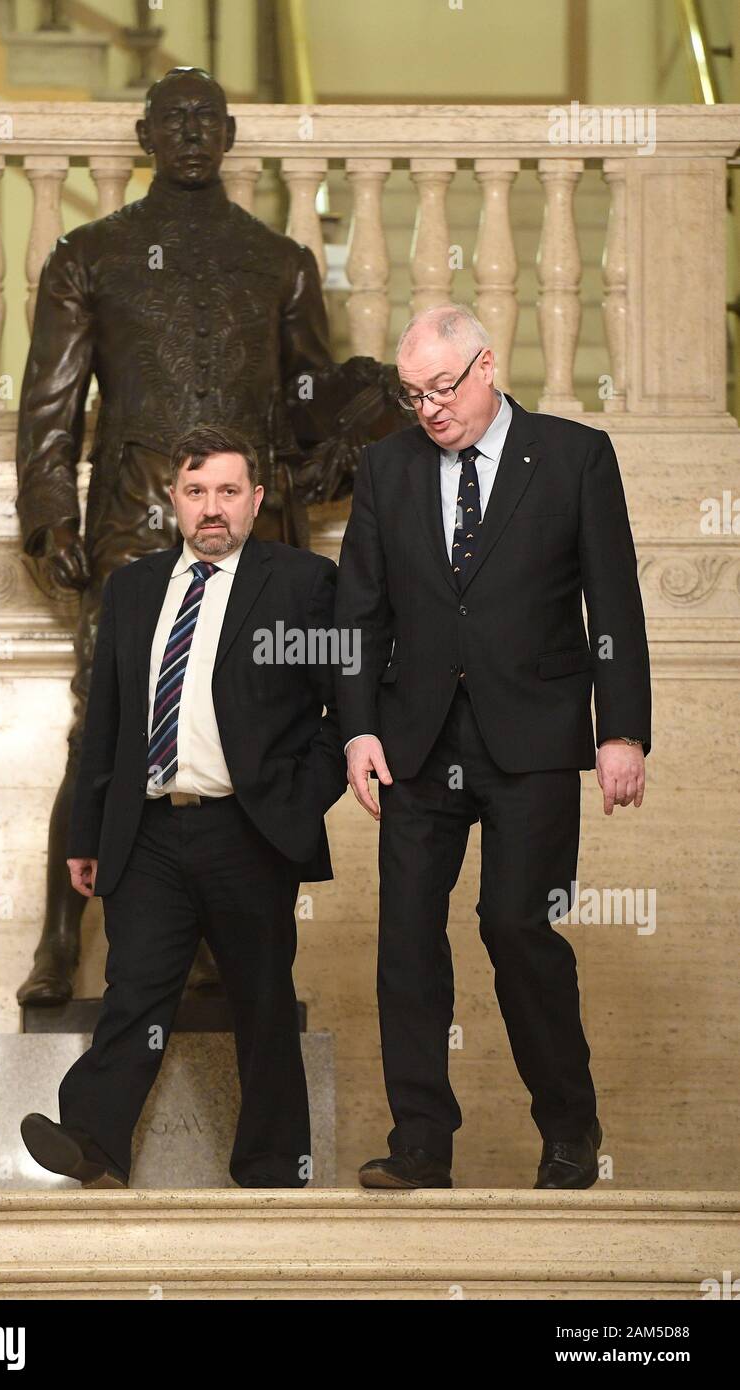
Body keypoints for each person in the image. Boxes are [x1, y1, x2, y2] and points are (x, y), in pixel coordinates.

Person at [13, 65, 399, 1005]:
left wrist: (367, 410)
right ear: (146, 135)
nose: (189, 133)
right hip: (135, 512)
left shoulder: (280, 261)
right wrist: (49, 511)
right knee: (104, 723)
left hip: (251, 517)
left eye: (205, 120)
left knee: (247, 726)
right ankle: (63, 935)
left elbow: (308, 400)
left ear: (228, 134)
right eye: (171, 120)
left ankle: (214, 937)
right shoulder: (89, 253)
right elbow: (52, 404)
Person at [334, 305, 651, 1190]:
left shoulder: (574, 456)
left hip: (537, 738)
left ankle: (569, 1130)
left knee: (516, 927)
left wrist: (620, 730)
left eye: (442, 388)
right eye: (412, 395)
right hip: (416, 741)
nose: (429, 409)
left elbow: (613, 606)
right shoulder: (385, 468)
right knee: (405, 941)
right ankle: (421, 1145)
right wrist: (358, 728)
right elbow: (359, 612)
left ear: (487, 365)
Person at [21, 424, 347, 1188]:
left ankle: (272, 1165)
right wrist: (87, 832)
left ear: (256, 499)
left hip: (249, 830)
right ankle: (94, 1144)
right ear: (173, 500)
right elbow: (104, 723)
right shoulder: (134, 590)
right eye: (196, 492)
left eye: (229, 492)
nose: (212, 508)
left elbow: (344, 708)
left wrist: (299, 799)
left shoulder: (300, 584)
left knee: (262, 1000)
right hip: (151, 831)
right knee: (134, 992)